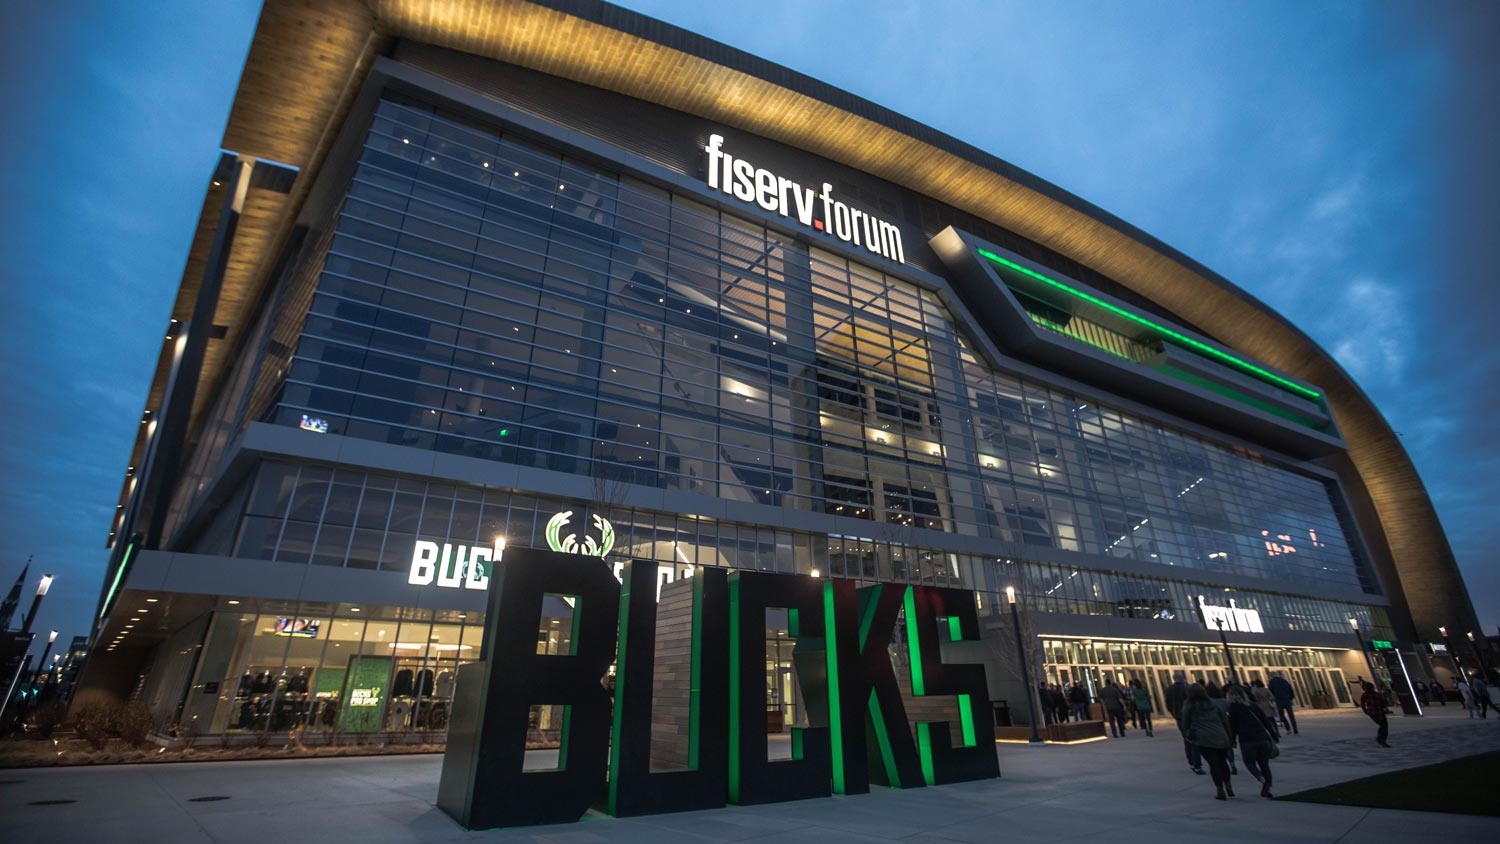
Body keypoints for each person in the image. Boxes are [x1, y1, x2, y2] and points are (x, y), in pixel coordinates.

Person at [1181, 683, 1234, 800]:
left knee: (1214, 764)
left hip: (1203, 738)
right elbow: (1225, 721)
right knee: (1223, 762)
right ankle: (1228, 785)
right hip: (1220, 735)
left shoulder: (1189, 706)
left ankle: (1220, 790)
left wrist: (1188, 735)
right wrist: (1230, 737)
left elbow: (1185, 723)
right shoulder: (1213, 704)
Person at [1227, 686, 1279, 798]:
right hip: (1262, 737)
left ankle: (1261, 779)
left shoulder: (1234, 708)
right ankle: (1268, 786)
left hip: (1247, 740)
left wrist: (1232, 740)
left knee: (1249, 763)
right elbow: (1265, 721)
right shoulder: (1253, 705)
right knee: (1264, 764)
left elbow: (1233, 727)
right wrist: (1273, 735)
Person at [1165, 672, 1202, 774]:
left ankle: (1191, 761)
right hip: (1189, 715)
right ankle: (1196, 762)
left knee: (1186, 738)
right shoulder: (1186, 688)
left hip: (1179, 716)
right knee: (1193, 739)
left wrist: (1173, 713)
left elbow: (1168, 703)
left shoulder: (1169, 689)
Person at [1206, 682, 1238, 774]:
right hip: (1224, 725)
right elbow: (1230, 712)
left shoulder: (1207, 703)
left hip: (1212, 726)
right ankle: (1232, 764)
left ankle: (1221, 763)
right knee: (1228, 746)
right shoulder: (1224, 701)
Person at [1360, 681, 1390, 747]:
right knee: (1384, 726)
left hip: (1374, 712)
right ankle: (1382, 739)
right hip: (1377, 712)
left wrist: (1366, 711)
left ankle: (1381, 739)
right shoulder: (1376, 694)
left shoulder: (1366, 695)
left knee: (1383, 725)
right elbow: (1383, 703)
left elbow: (1363, 704)